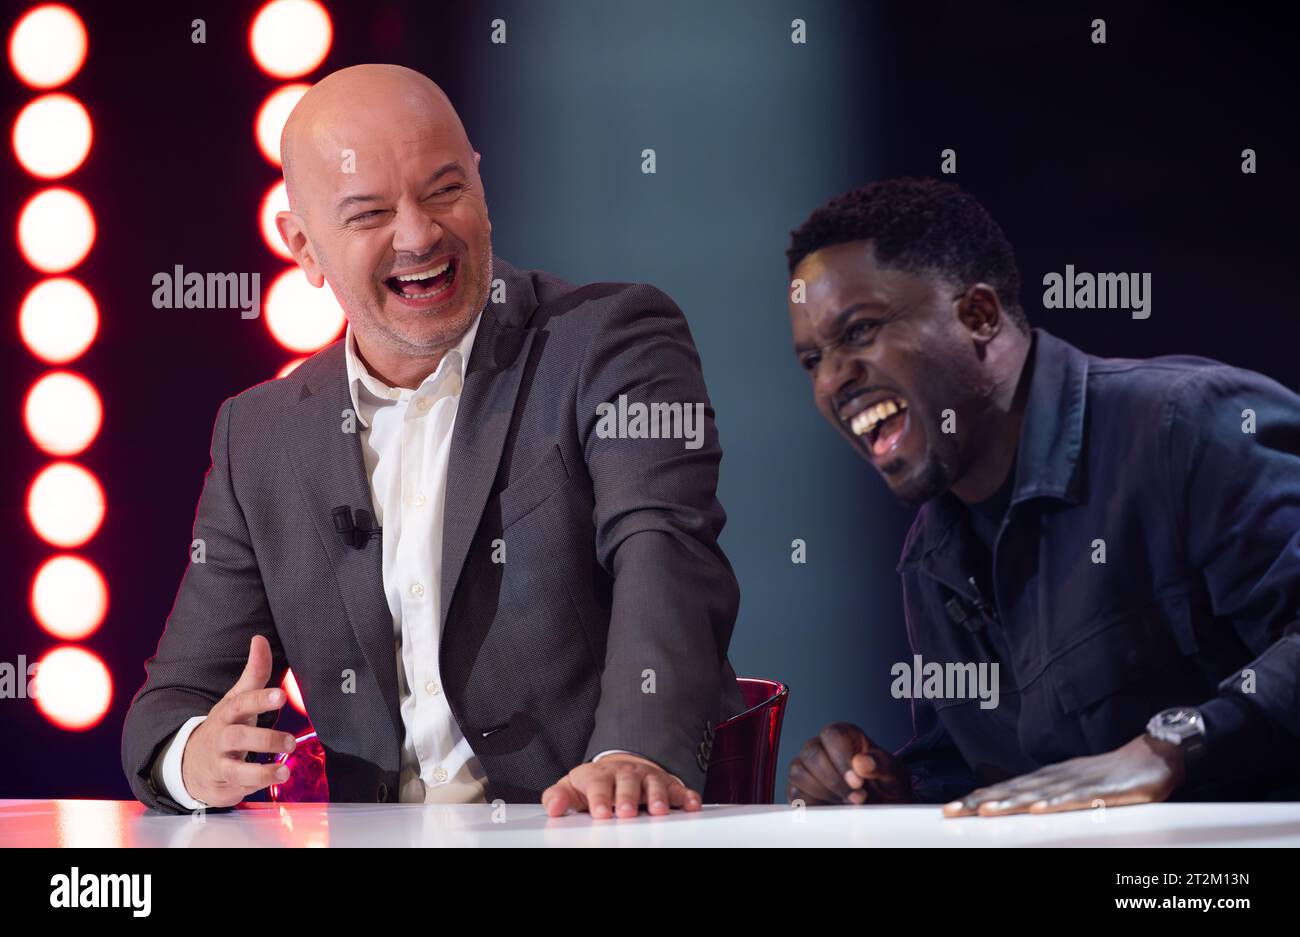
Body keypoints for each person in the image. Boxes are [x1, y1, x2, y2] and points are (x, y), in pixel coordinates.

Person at [122, 64, 743, 819]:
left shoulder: (609, 341)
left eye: (445, 190)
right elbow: (174, 705)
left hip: (588, 827)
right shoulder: (262, 435)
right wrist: (195, 757)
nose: (419, 235)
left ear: (481, 186)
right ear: (305, 247)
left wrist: (629, 754)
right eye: (370, 213)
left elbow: (665, 552)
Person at [784, 177, 1300, 815]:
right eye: (812, 360)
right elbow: (992, 774)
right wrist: (891, 788)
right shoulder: (931, 555)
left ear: (978, 315)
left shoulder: (1186, 426)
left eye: (860, 331)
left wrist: (1170, 748)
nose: (832, 380)